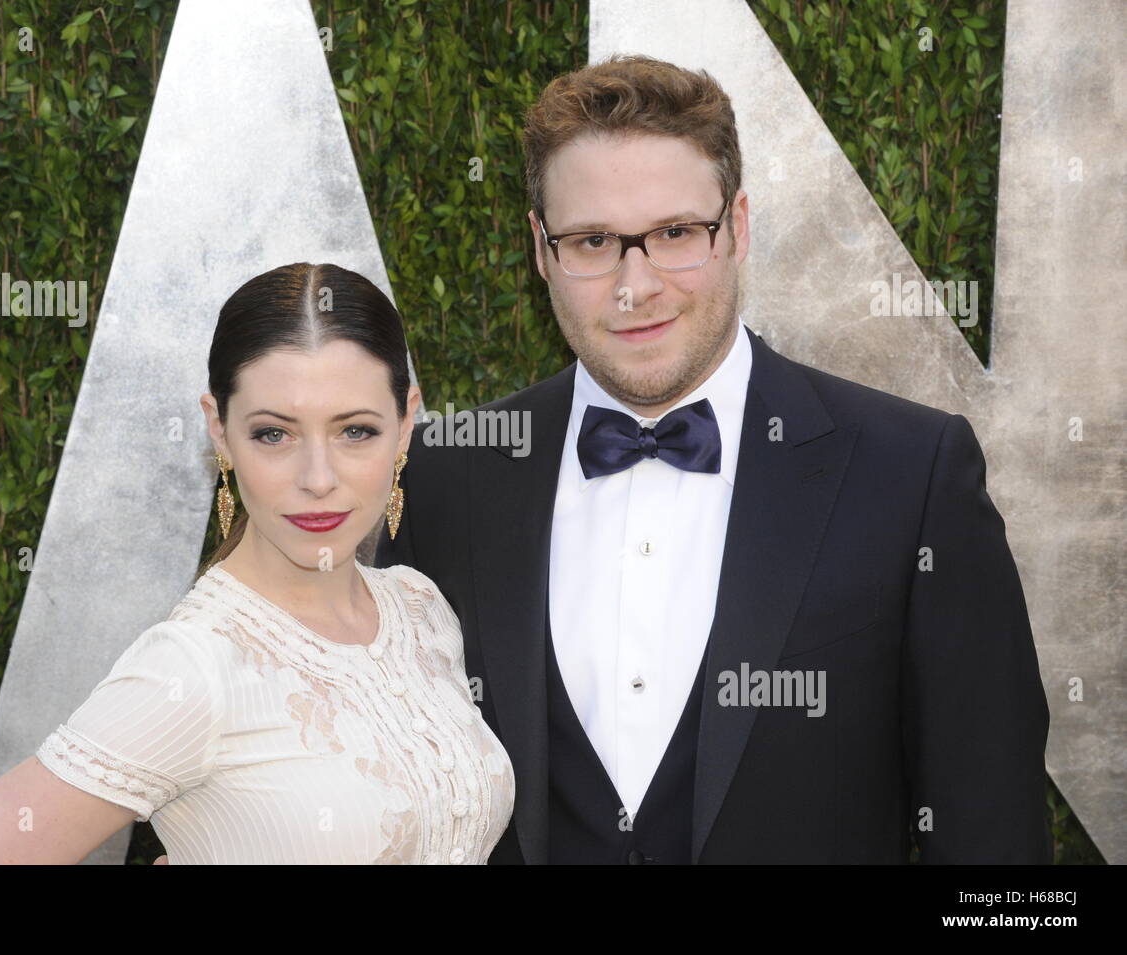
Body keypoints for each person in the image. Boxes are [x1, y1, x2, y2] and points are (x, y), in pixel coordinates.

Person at [376, 54, 1052, 864]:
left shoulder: (911, 474)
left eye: (673, 234)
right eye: (594, 241)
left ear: (736, 226)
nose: (637, 285)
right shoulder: (446, 476)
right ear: (540, 248)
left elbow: (991, 832)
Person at [0, 263, 514, 864]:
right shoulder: (194, 665)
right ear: (219, 430)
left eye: (355, 431)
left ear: (406, 423)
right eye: (274, 435)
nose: (318, 480)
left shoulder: (419, 608)